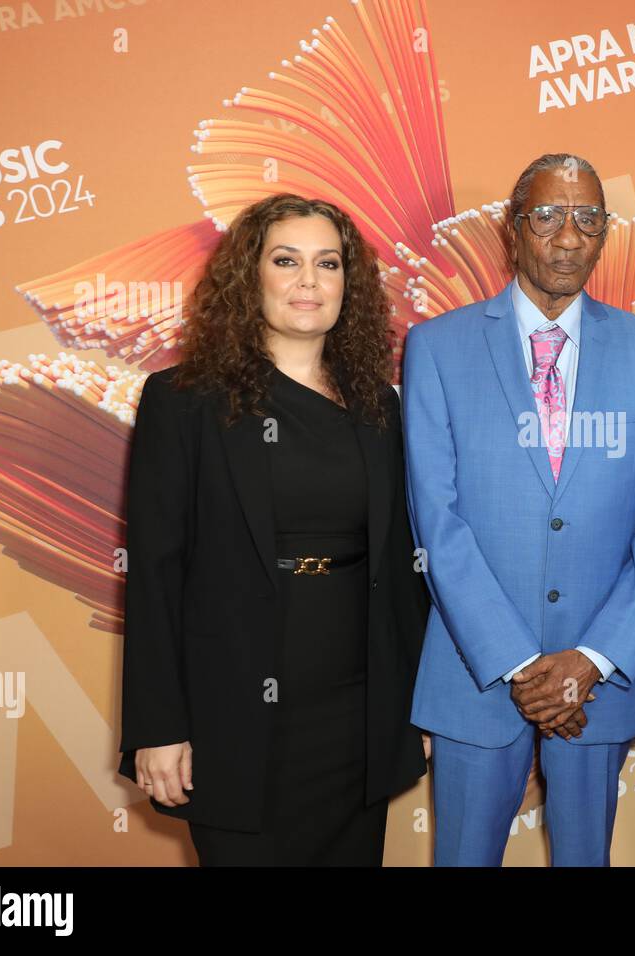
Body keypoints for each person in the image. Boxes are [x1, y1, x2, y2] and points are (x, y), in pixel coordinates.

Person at [118, 193, 428, 866]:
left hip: (356, 717)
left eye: (329, 263)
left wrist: (420, 705)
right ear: (248, 276)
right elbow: (154, 574)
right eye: (286, 261)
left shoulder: (379, 404)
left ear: (351, 283)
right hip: (232, 718)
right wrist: (158, 727)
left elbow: (405, 564)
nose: (309, 281)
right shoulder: (183, 402)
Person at [402, 153, 635, 866]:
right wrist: (522, 665)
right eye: (549, 215)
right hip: (477, 670)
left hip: (596, 679)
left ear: (604, 233)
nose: (568, 237)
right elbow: (437, 523)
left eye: (588, 219)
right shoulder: (436, 348)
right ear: (513, 228)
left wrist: (589, 661)